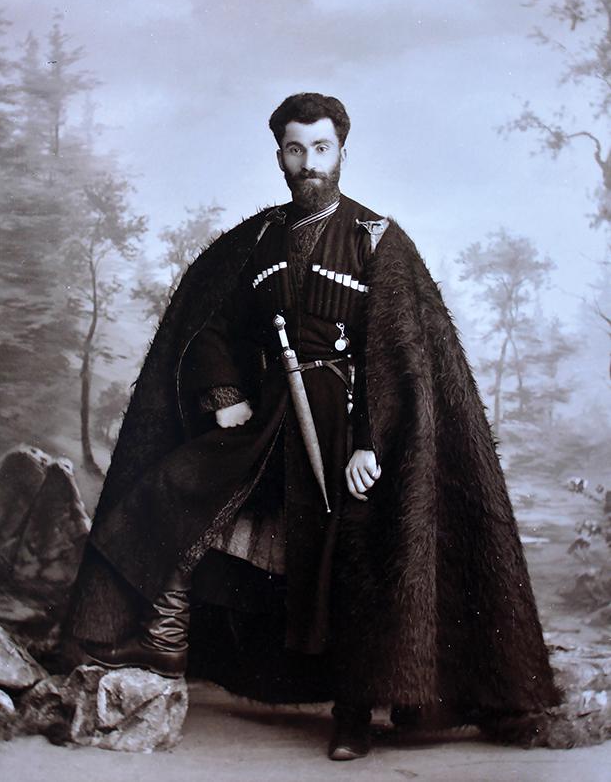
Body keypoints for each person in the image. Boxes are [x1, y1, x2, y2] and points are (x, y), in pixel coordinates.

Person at [67, 93, 561, 761]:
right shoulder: (261, 239)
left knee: (350, 557)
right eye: (295, 150)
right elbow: (212, 325)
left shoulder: (376, 239)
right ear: (280, 157)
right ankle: (165, 650)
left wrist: (370, 447)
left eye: (321, 148)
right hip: (272, 426)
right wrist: (225, 395)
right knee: (176, 498)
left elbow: (398, 357)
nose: (309, 163)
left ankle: (353, 715)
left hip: (351, 427)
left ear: (342, 153)